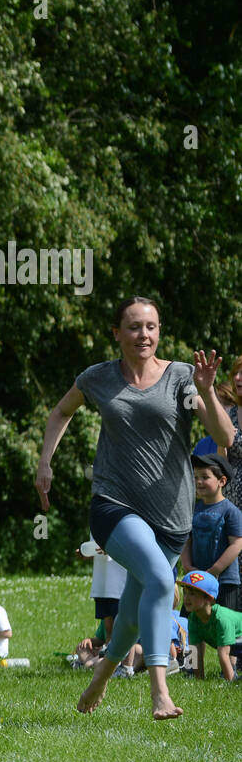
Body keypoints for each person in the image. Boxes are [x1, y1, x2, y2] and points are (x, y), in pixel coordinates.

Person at [36, 296, 234, 719]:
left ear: (159, 331)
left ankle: (101, 677)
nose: (143, 335)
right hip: (115, 505)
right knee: (163, 581)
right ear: (116, 333)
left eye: (151, 327)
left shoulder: (182, 377)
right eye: (133, 327)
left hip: (172, 516)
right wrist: (45, 463)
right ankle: (160, 691)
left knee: (129, 614)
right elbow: (60, 412)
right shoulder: (99, 378)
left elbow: (225, 435)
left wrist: (206, 392)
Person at [179, 454, 242, 615]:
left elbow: (237, 544)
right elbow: (187, 540)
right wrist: (187, 565)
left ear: (222, 481)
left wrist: (215, 570)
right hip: (195, 581)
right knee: (189, 628)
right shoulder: (193, 509)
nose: (199, 481)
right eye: (196, 477)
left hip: (224, 581)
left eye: (205, 477)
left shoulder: (230, 511)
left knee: (225, 630)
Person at [178, 571, 239, 681]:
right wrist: (199, 680)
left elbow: (223, 654)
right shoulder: (193, 618)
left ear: (209, 598)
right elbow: (194, 651)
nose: (186, 598)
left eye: (192, 594)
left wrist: (230, 683)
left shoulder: (221, 618)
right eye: (185, 592)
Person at [79, 536, 126, 643]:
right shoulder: (94, 520)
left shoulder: (124, 518)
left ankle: (124, 659)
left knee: (120, 628)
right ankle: (108, 656)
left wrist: (111, 548)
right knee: (108, 628)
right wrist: (86, 553)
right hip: (102, 584)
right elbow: (95, 548)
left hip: (120, 584)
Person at [215, 354, 242, 508]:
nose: (237, 378)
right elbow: (223, 462)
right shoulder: (229, 415)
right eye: (235, 374)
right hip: (232, 501)